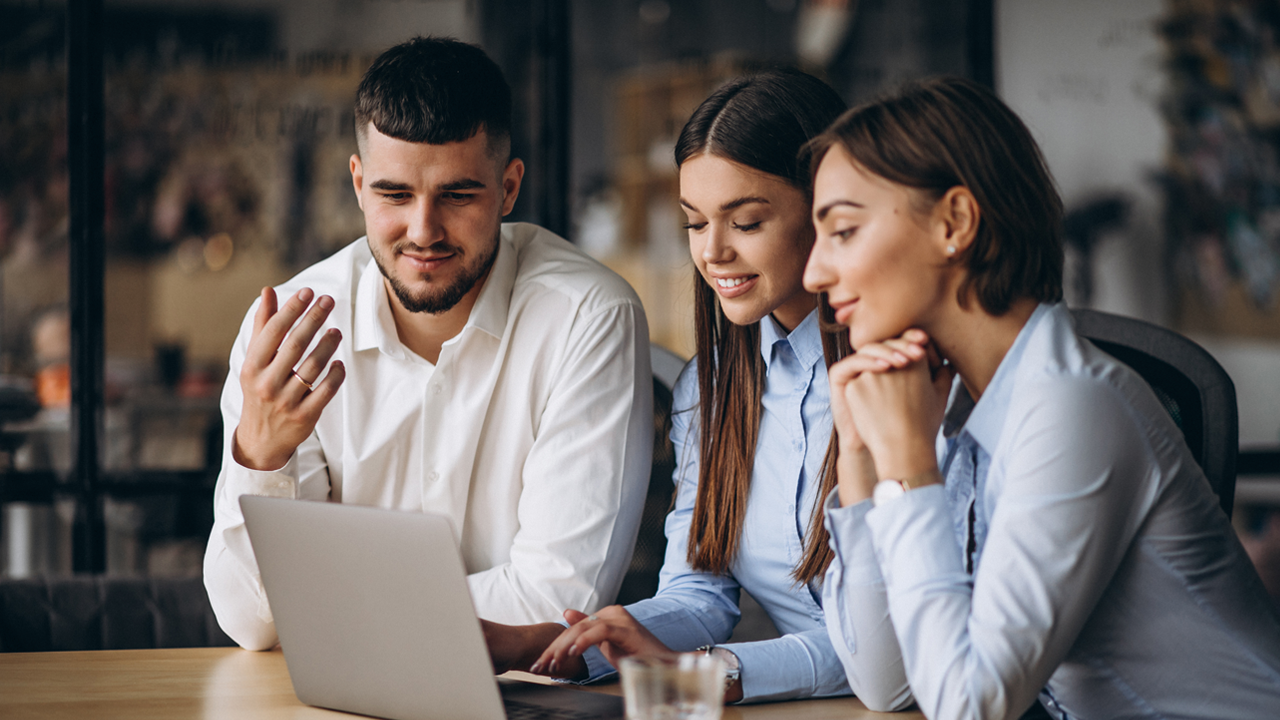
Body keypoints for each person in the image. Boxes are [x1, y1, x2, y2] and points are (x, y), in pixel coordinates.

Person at [803, 76, 1280, 719]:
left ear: (955, 222)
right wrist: (862, 462)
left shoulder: (1072, 406)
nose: (814, 274)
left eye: (842, 231)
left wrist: (910, 469)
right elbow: (887, 684)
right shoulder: (950, 403)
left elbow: (970, 705)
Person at [204, 36, 652, 651]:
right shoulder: (284, 335)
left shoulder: (587, 317)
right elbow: (252, 622)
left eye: (458, 195)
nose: (423, 232)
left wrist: (323, 608)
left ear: (510, 188)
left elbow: (557, 603)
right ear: (359, 184)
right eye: (394, 195)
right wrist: (260, 454)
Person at [486, 68, 911, 709]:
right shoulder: (709, 391)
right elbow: (698, 594)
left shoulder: (903, 384)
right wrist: (561, 647)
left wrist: (713, 671)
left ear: (829, 212)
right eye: (694, 222)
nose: (712, 252)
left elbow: (892, 650)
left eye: (745, 222)